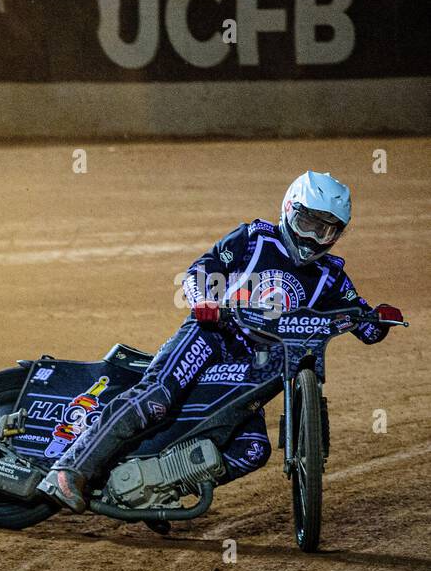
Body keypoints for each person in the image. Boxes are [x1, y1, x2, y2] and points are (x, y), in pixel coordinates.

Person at [38, 171, 404, 512]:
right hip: (211, 337)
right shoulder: (254, 238)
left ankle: (155, 491)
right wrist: (204, 301)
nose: (314, 237)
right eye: (309, 222)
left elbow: (366, 326)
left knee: (253, 449)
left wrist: (380, 318)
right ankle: (70, 468)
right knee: (157, 398)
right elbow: (201, 269)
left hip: (257, 365)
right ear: (290, 210)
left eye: (327, 230)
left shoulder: (332, 277)